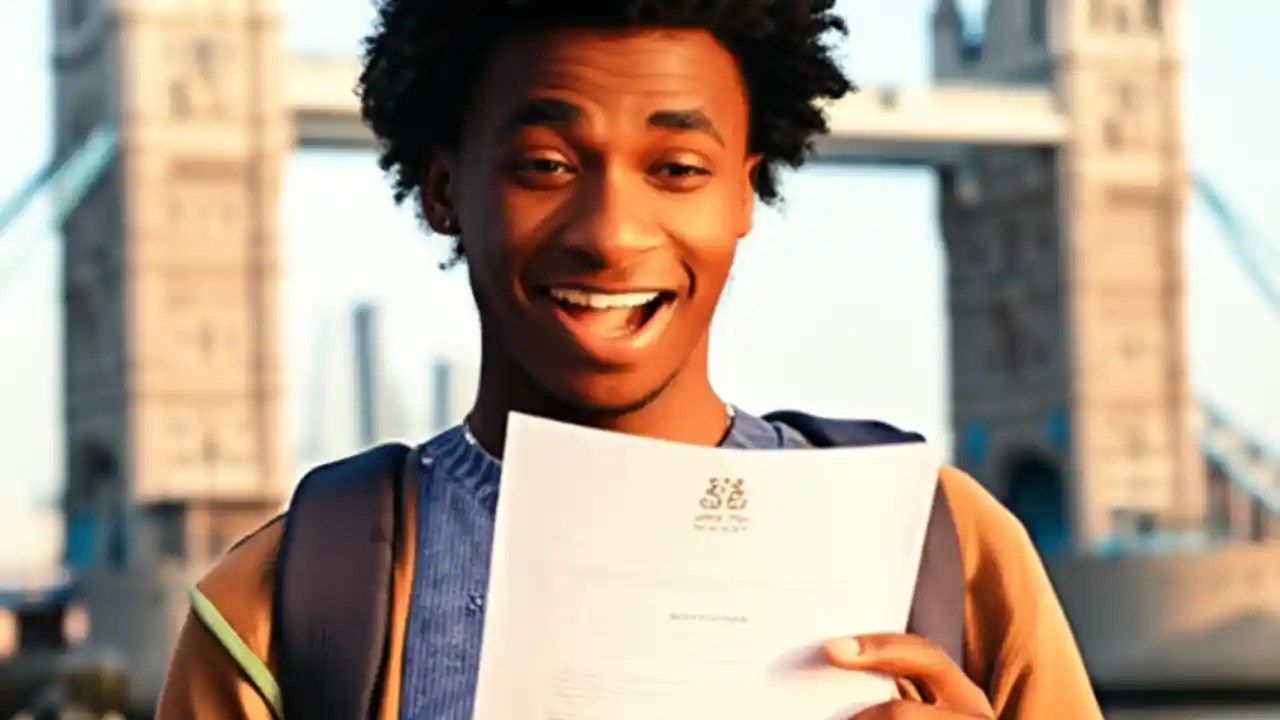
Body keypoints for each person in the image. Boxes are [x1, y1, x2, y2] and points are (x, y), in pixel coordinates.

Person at [157, 0, 1103, 717]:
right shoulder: (285, 606)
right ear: (446, 191)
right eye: (547, 165)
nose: (611, 235)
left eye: (677, 171)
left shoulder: (950, 551)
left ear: (747, 191)